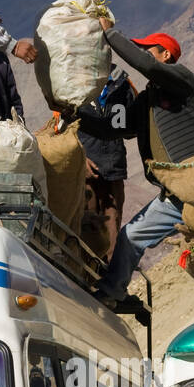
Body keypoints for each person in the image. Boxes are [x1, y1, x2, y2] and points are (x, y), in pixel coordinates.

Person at [89, 22, 194, 306]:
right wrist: (81, 115)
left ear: (166, 56)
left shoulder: (182, 80)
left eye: (149, 50)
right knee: (130, 237)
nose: (144, 54)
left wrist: (111, 34)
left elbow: (147, 66)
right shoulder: (148, 97)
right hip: (175, 195)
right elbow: (119, 126)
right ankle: (112, 294)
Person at [75, 67, 138, 258]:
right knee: (88, 223)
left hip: (114, 167)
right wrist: (80, 158)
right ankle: (87, 280)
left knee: (112, 224)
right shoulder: (74, 83)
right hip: (86, 167)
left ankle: (108, 281)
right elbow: (62, 128)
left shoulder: (122, 85)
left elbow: (131, 128)